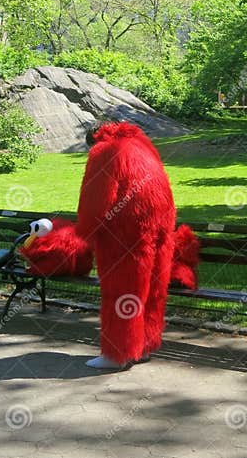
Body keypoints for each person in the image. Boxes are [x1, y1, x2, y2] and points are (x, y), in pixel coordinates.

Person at [75, 122, 176, 369]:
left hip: (123, 231)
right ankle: (143, 346)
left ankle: (116, 354)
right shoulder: (144, 145)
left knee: (120, 291)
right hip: (159, 226)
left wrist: (85, 233)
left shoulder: (104, 150)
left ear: (93, 140)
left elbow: (96, 198)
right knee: (151, 289)